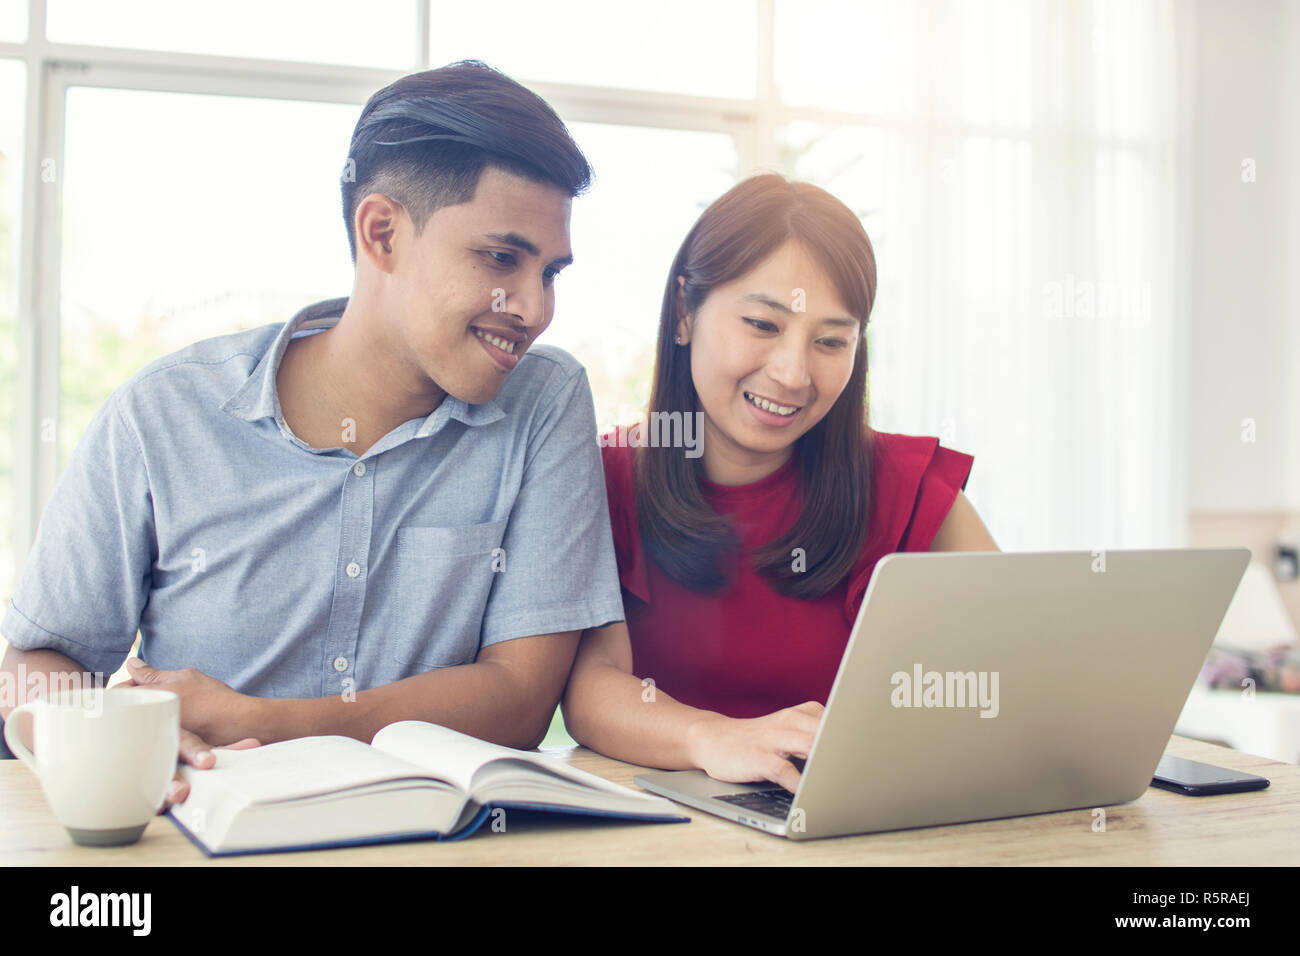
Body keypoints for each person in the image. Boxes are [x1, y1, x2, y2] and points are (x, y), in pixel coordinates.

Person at [0, 61, 625, 805]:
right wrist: (116, 740)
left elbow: (521, 702)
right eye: (501, 259)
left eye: (551, 272)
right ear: (382, 233)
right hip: (199, 829)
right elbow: (36, 664)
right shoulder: (162, 415)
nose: (534, 308)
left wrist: (265, 722)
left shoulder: (544, 401)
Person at [563, 174, 999, 794]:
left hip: (861, 820)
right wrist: (712, 737)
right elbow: (590, 687)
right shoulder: (605, 479)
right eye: (763, 325)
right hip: (670, 826)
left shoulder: (910, 488)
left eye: (830, 341)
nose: (794, 374)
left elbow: (1019, 667)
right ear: (685, 312)